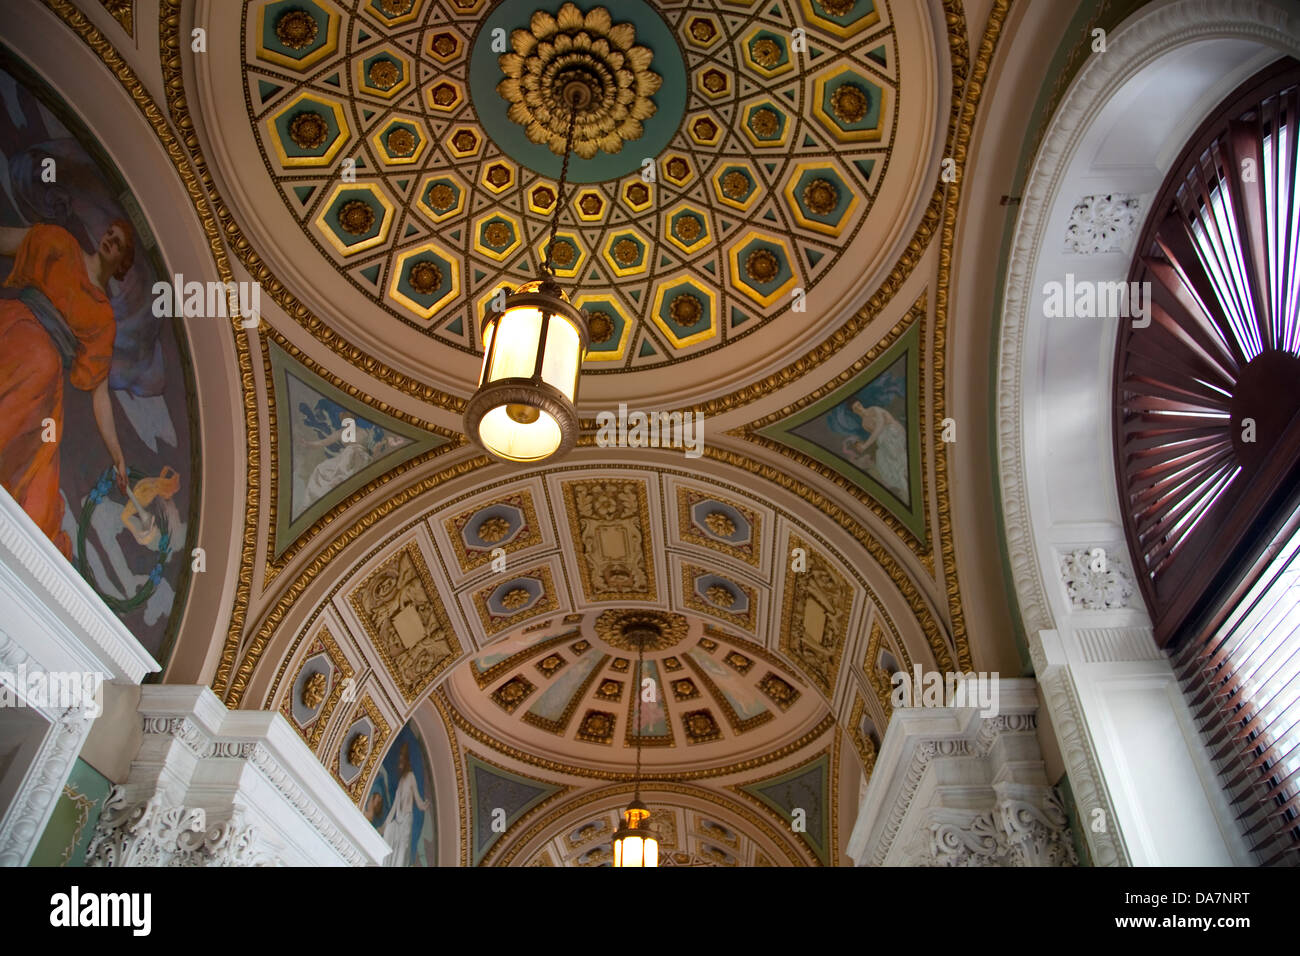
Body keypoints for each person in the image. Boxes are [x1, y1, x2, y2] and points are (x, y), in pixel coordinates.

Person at [0, 220, 132, 557]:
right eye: (110, 232)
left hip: (45, 382)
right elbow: (9, 238)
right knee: (39, 363)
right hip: (14, 332)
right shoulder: (60, 245)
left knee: (39, 488)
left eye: (118, 243)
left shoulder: (103, 319)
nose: (109, 240)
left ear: (122, 263)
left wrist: (116, 452)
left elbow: (99, 393)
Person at [842, 400, 909, 500]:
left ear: (861, 403)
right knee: (881, 457)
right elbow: (877, 437)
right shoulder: (864, 424)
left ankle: (902, 470)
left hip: (894, 432)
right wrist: (861, 445)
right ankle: (902, 482)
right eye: (856, 409)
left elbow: (879, 427)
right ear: (854, 412)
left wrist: (865, 446)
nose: (859, 409)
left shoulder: (874, 409)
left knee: (886, 441)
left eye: (859, 405)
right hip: (885, 441)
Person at [382, 742, 428, 866]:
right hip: (398, 821)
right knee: (389, 832)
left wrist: (424, 805)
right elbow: (394, 806)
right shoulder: (401, 780)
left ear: (406, 759)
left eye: (402, 756)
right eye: (399, 756)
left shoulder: (411, 777)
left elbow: (418, 801)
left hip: (406, 821)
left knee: (402, 852)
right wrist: (385, 825)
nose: (400, 759)